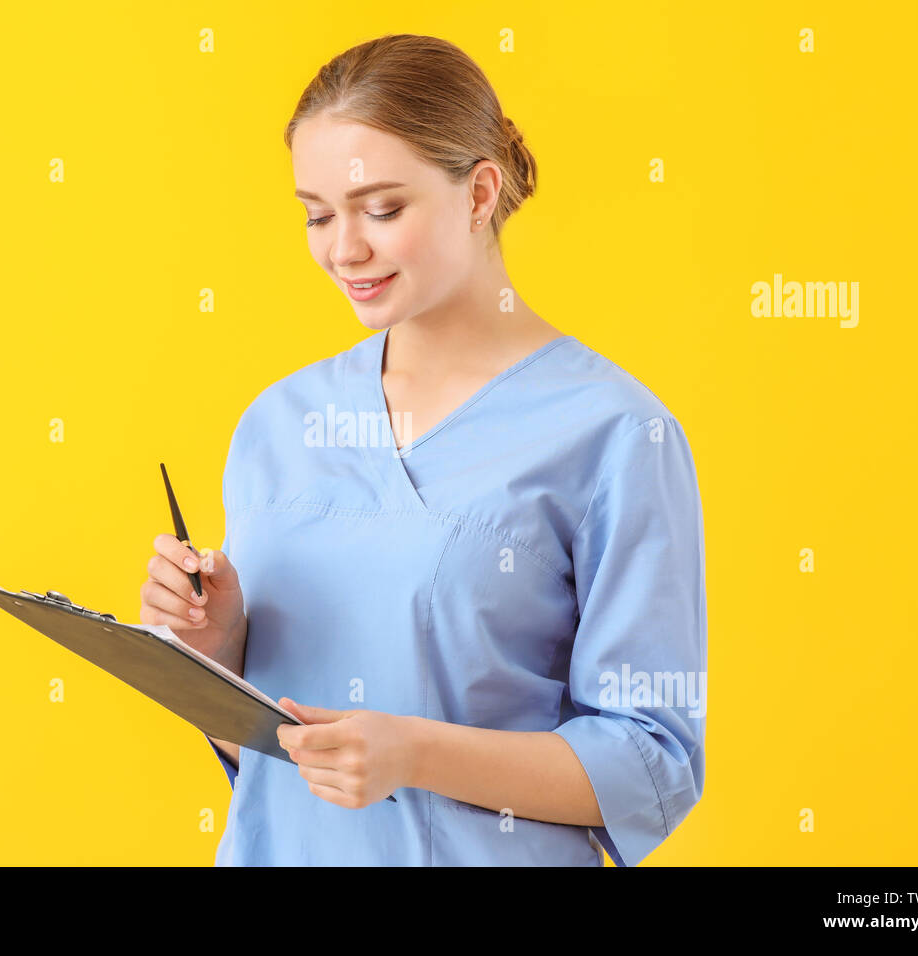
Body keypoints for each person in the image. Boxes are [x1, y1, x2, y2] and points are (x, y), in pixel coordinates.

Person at [141, 33, 706, 866]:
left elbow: (653, 763)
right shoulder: (279, 423)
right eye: (317, 214)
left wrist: (415, 753)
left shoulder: (614, 433)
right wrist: (216, 650)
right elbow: (271, 763)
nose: (344, 249)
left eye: (381, 209)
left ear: (480, 193)